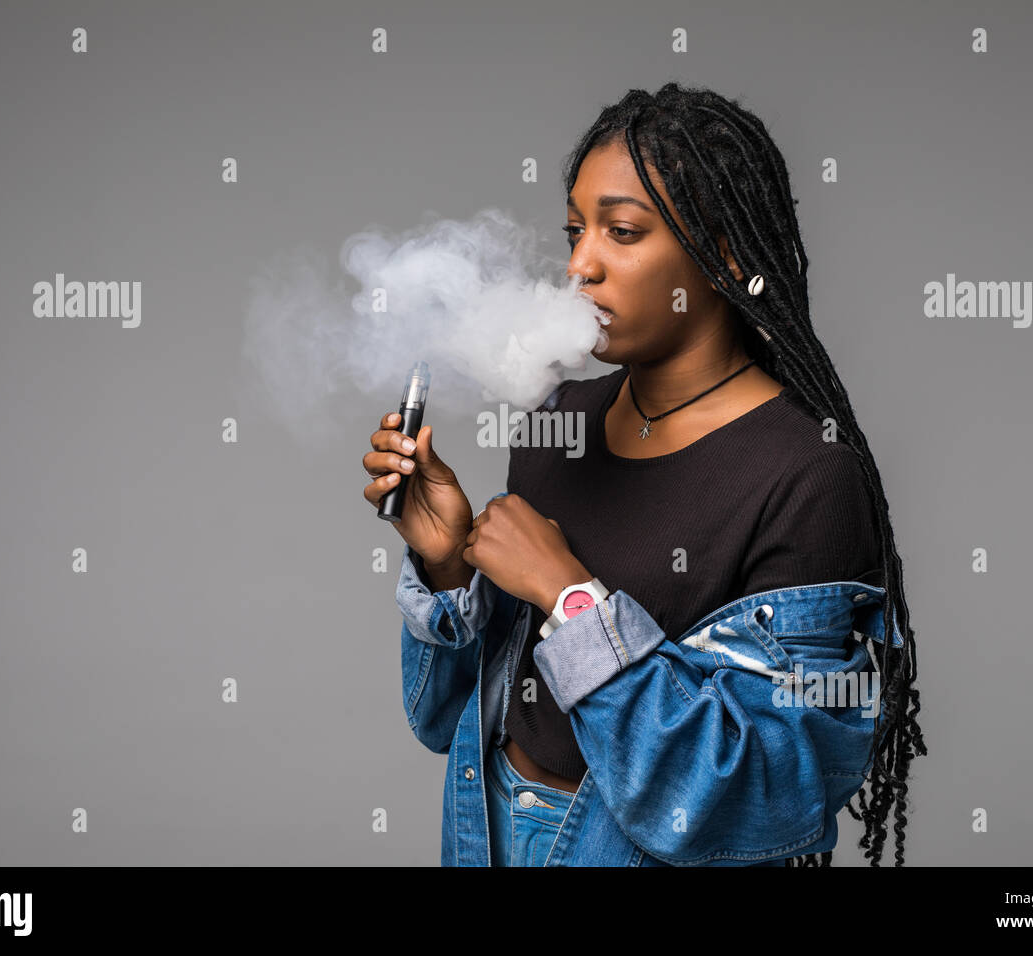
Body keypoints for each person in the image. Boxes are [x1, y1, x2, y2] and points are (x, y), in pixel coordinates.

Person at [363, 82, 924, 867]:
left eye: (622, 232)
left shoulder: (809, 476)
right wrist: (450, 564)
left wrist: (570, 598)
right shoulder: (560, 420)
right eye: (574, 230)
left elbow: (758, 794)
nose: (579, 265)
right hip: (484, 831)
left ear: (724, 255)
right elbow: (445, 719)